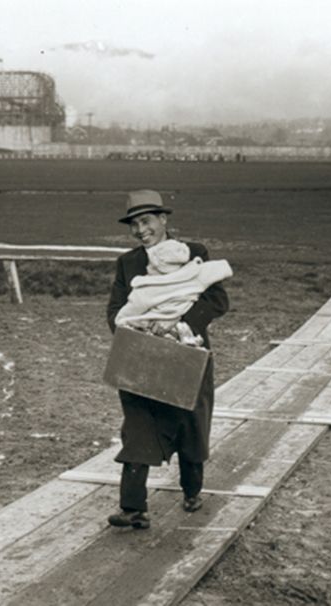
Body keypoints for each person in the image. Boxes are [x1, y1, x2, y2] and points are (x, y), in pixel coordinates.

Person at [105, 189, 230, 529]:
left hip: (188, 353)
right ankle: (133, 508)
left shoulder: (195, 256)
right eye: (134, 224)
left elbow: (217, 301)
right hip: (143, 355)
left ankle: (192, 490)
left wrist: (179, 326)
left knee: (190, 424)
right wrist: (137, 331)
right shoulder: (128, 263)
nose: (140, 230)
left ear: (163, 220)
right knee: (138, 426)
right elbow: (116, 310)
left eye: (146, 221)